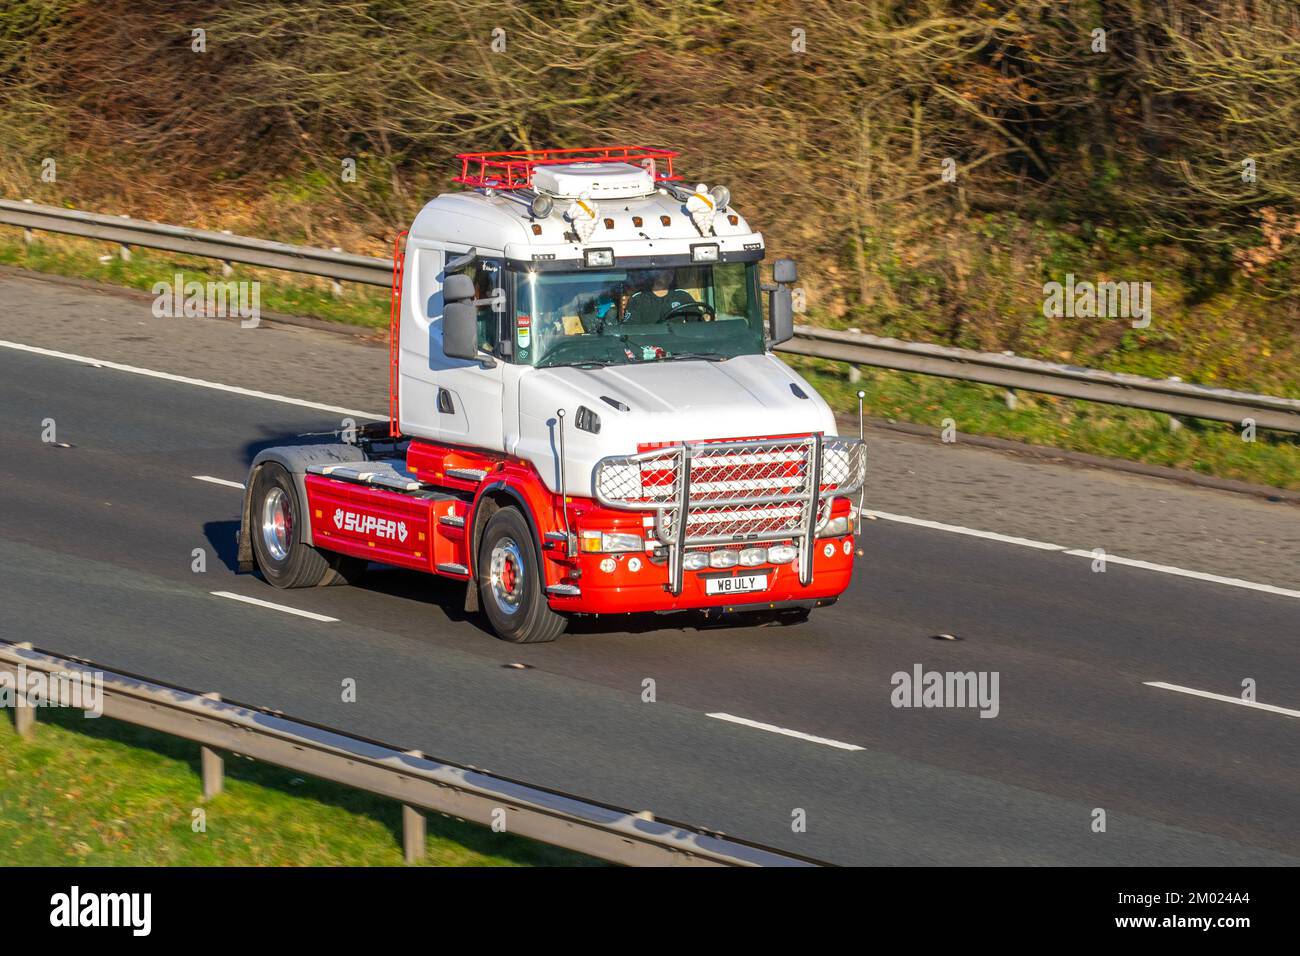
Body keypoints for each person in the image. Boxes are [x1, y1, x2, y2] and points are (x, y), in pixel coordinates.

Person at [621, 269, 699, 325]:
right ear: (653, 274)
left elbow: (698, 324)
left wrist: (705, 317)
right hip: (648, 345)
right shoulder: (638, 299)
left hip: (678, 344)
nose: (666, 275)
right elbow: (631, 331)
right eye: (662, 271)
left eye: (670, 272)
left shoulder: (682, 296)